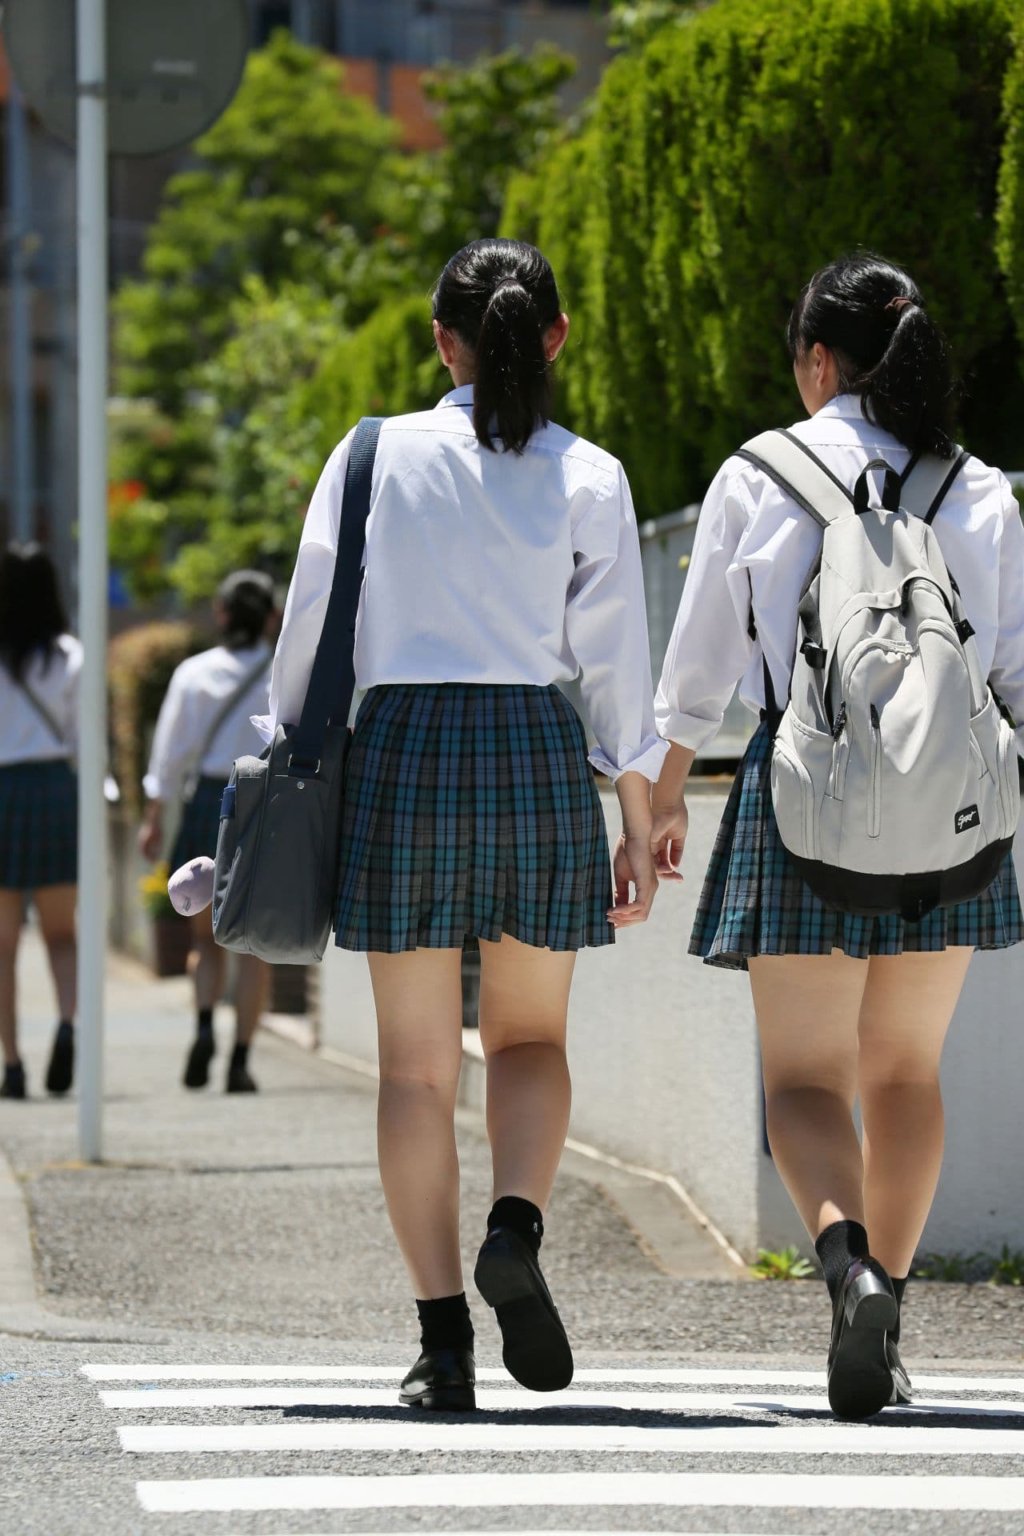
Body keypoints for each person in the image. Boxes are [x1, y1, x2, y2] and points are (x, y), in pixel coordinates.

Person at [261, 237, 666, 1411]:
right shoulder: (589, 473)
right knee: (531, 1044)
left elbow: (307, 629)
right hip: (536, 754)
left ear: (442, 341)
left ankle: (442, 1347)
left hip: (402, 757)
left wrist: (290, 756)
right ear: (555, 338)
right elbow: (615, 672)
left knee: (415, 1073)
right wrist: (637, 817)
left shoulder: (374, 452)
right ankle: (516, 1228)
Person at [652, 253, 1024, 1419]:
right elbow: (1010, 673)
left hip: (801, 793)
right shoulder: (980, 489)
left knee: (804, 1077)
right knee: (905, 1070)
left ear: (818, 359)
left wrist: (660, 795)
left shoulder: (759, 474)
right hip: (952, 804)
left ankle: (844, 1264)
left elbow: (699, 669)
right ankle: (892, 1313)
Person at [139, 571, 275, 1094]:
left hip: (208, 805)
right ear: (269, 617)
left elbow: (169, 754)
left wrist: (155, 817)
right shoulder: (281, 670)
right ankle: (240, 1059)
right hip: (265, 803)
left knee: (206, 935)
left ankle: (202, 1027)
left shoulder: (194, 673)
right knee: (255, 947)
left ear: (220, 614)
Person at [0, 544, 81, 1100]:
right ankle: (67, 1025)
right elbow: (82, 737)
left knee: (3, 946)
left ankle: (11, 1063)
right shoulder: (70, 654)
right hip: (56, 788)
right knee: (62, 935)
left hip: (2, 789)